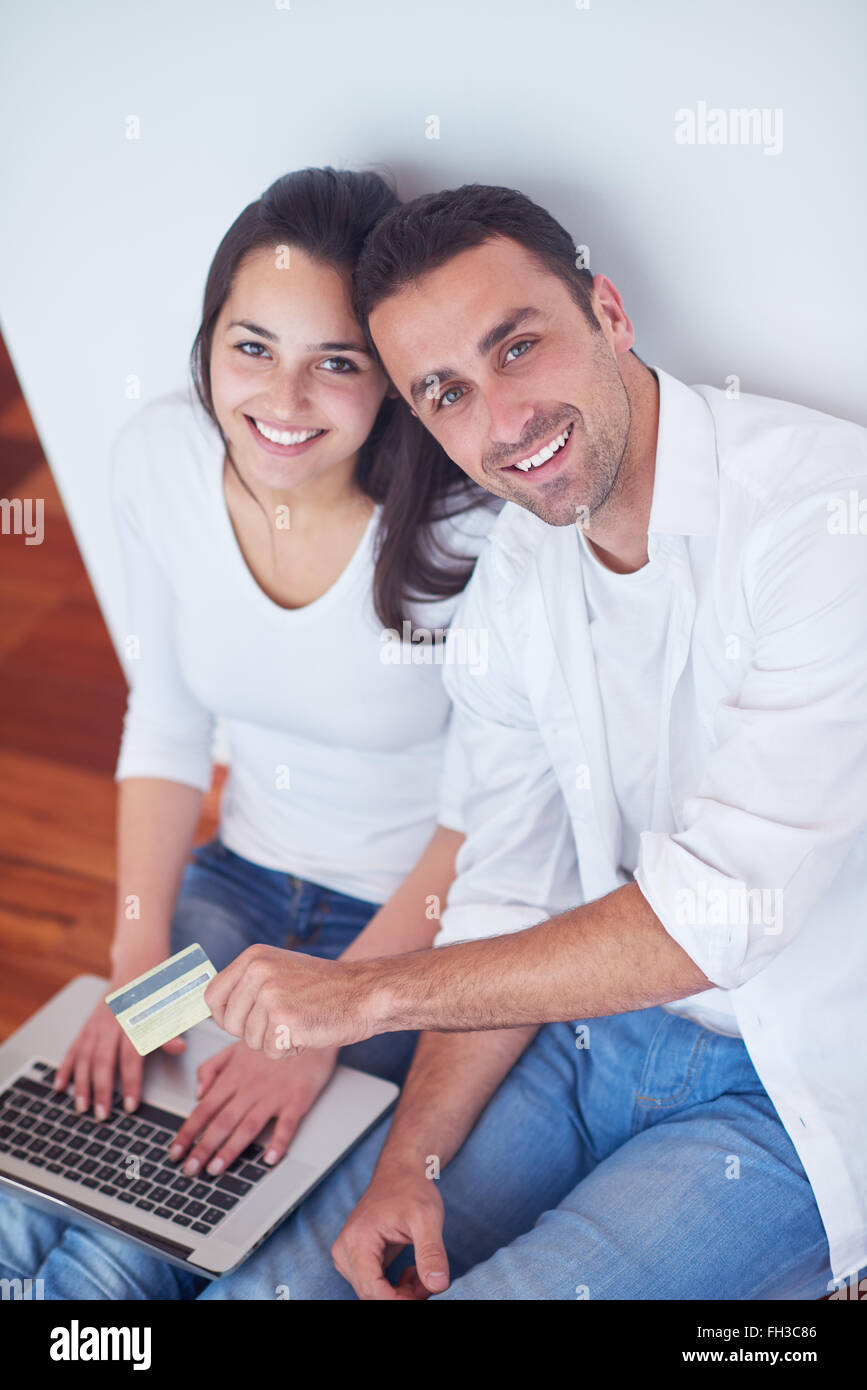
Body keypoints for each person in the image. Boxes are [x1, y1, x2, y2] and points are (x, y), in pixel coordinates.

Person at [193, 182, 867, 1300]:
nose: (502, 422)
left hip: (780, 1084)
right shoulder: (513, 570)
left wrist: (364, 998)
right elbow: (507, 885)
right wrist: (411, 1160)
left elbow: (722, 919)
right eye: (447, 391)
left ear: (607, 311)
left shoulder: (823, 520)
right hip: (577, 1037)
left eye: (518, 347)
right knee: (282, 1289)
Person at [0, 169, 498, 1299]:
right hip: (238, 891)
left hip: (398, 940)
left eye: (336, 362)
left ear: (390, 378)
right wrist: (136, 966)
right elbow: (169, 723)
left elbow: (481, 827)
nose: (283, 397)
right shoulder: (158, 460)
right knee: (45, 1163)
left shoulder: (470, 527)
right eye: (251, 346)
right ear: (208, 342)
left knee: (137, 1241)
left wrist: (323, 1024)